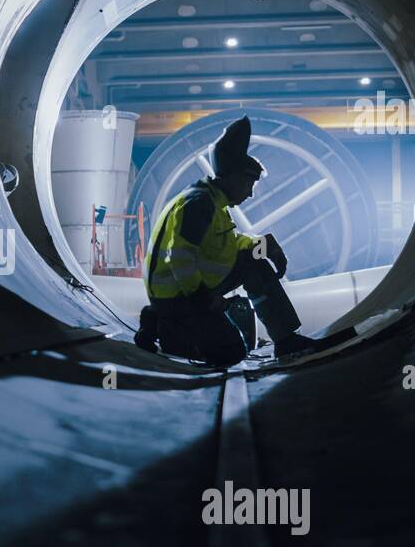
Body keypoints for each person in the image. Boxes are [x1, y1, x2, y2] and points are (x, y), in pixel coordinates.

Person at [134, 116, 316, 365]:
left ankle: (285, 340)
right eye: (249, 184)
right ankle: (164, 326)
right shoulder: (199, 205)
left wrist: (263, 245)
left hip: (181, 293)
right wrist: (205, 301)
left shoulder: (212, 201)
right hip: (180, 297)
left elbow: (228, 246)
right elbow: (180, 259)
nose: (250, 193)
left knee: (255, 261)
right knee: (231, 353)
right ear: (233, 177)